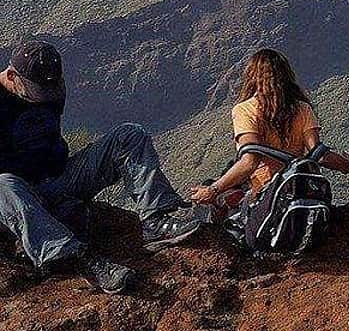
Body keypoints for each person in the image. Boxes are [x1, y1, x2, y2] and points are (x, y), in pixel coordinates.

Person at [0, 41, 202, 294]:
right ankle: (76, 258)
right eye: (35, 90)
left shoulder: (48, 87)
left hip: (57, 180)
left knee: (129, 135)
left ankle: (155, 218)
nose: (43, 96)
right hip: (13, 199)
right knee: (3, 183)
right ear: (11, 76)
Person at [189, 48, 349, 211]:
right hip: (300, 187)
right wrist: (347, 165)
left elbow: (250, 161)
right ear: (286, 76)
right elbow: (318, 154)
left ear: (252, 77)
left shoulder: (245, 110)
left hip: (267, 192)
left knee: (230, 221)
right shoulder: (302, 108)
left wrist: (212, 190)